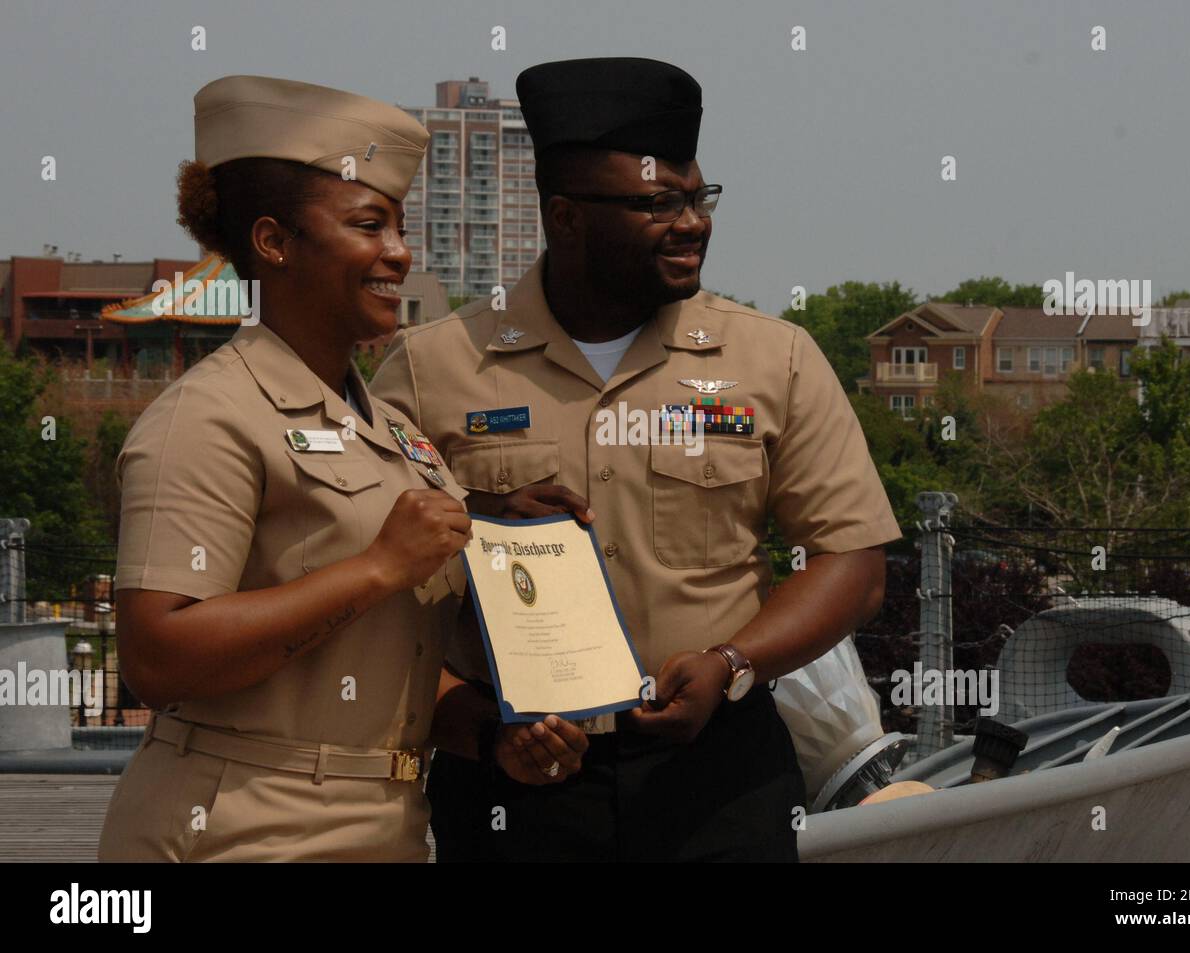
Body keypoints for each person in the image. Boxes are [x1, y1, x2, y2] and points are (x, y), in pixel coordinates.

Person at [372, 57, 901, 862]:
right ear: (566, 216)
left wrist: (734, 662)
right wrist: (478, 724)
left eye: (698, 198)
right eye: (657, 204)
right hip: (513, 780)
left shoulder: (773, 359)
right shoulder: (431, 368)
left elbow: (855, 565)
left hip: (720, 773)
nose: (691, 223)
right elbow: (379, 590)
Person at [98, 75, 585, 863]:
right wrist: (376, 566)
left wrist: (493, 733)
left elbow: (381, 660)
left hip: (382, 824)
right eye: (369, 225)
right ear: (273, 242)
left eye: (399, 228)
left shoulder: (393, 433)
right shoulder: (210, 417)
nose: (398, 252)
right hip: (240, 828)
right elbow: (158, 657)